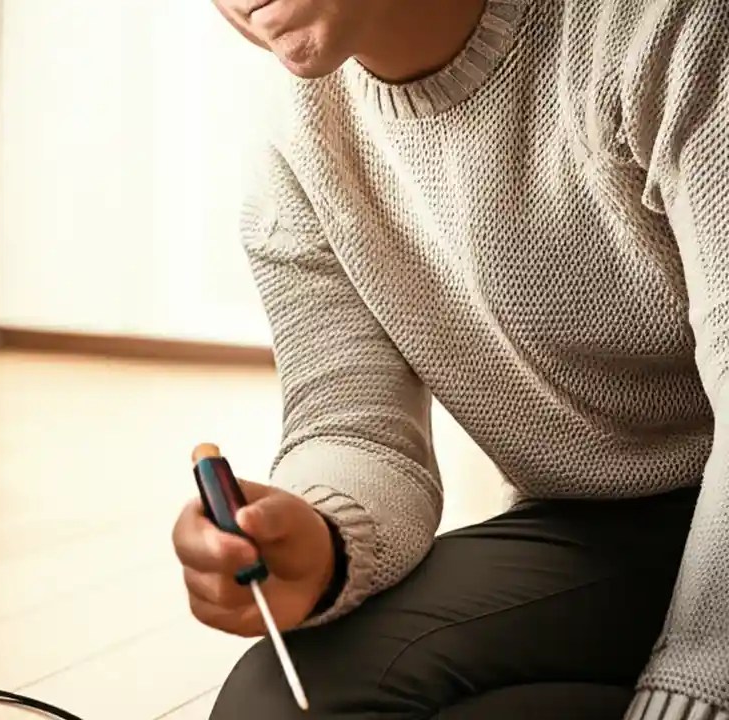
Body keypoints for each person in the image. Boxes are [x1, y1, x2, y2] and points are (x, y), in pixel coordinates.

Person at [169, 0, 729, 718]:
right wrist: (317, 541)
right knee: (273, 705)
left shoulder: (664, 25)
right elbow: (355, 427)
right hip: (600, 537)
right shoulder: (291, 137)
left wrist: (704, 665)